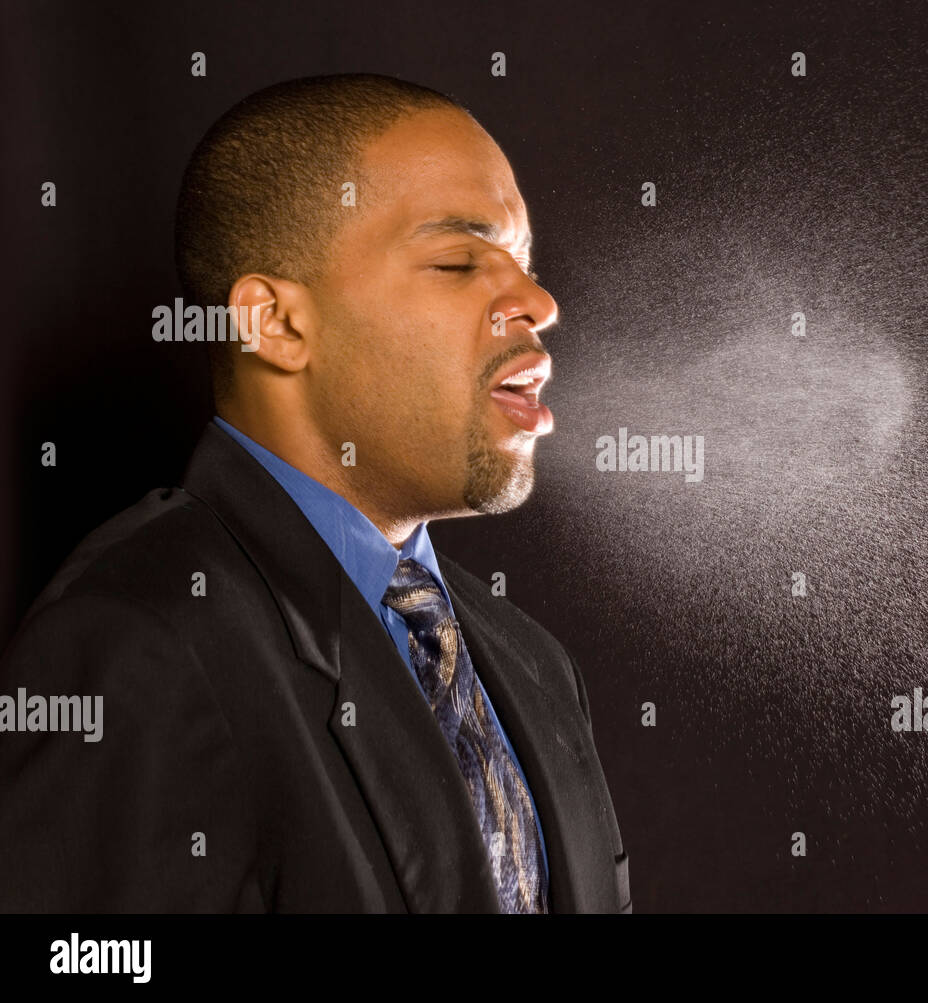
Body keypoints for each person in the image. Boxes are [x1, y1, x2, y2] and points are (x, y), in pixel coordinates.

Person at [0, 74, 631, 914]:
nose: (537, 303)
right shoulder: (136, 648)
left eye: (524, 265)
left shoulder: (532, 663)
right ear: (276, 324)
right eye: (457, 261)